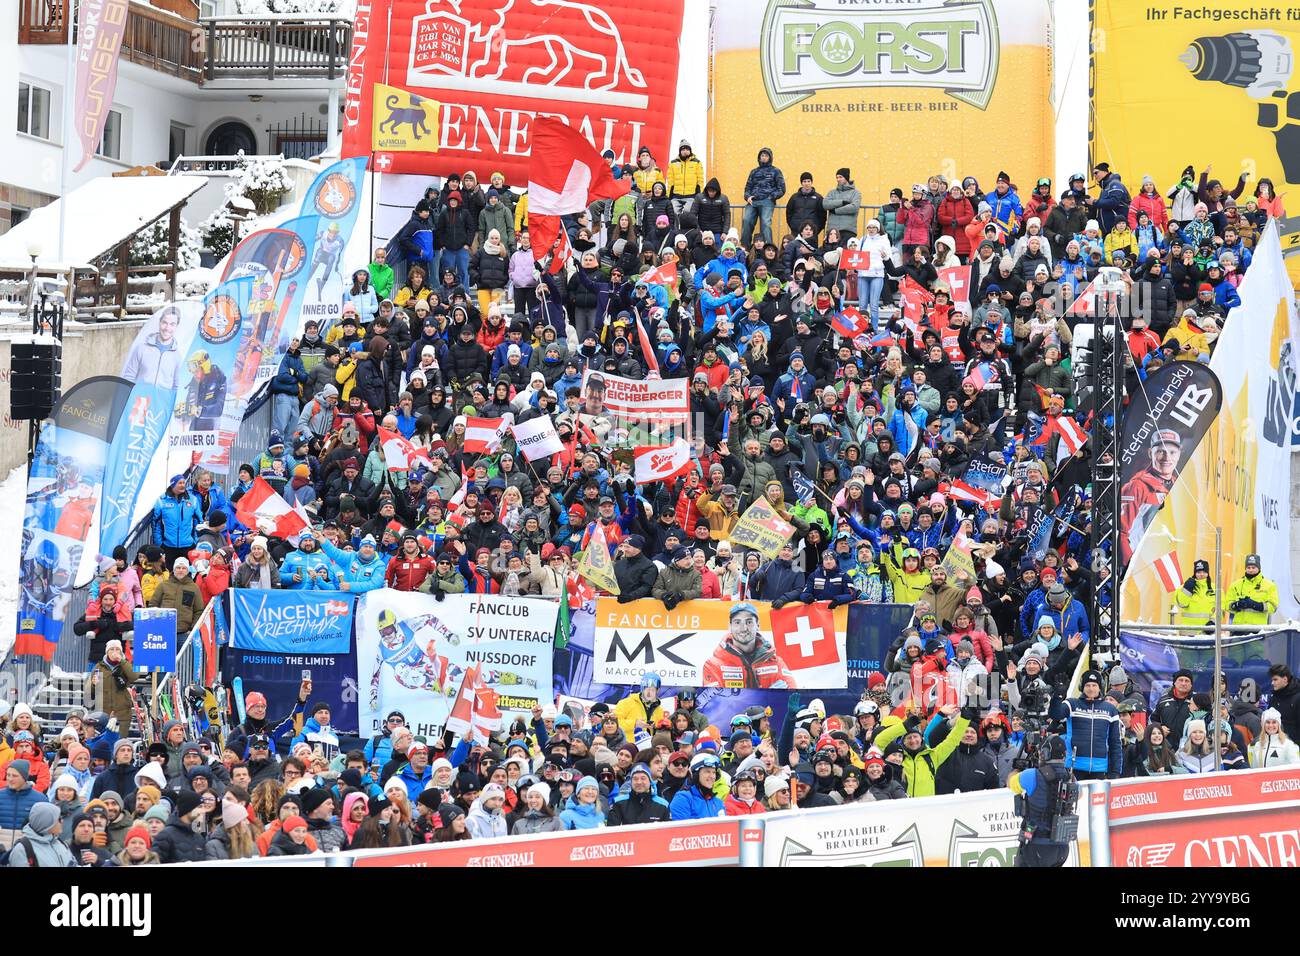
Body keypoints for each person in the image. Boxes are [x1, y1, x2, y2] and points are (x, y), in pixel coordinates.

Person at [1007, 734, 1077, 868]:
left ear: (1044, 754)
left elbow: (1010, 782)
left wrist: (1017, 769)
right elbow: (1079, 794)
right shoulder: (1071, 777)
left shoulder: (1032, 775)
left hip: (1037, 846)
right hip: (1062, 847)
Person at [702, 601, 798, 689]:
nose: (743, 628)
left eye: (749, 622)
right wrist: (769, 697)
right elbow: (714, 704)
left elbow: (793, 695)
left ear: (758, 625)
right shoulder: (713, 665)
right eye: (737, 622)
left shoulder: (776, 662)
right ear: (729, 627)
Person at [1063, 669, 1123, 779]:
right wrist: (1058, 695)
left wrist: (1115, 771)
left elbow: (1115, 743)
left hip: (1099, 769)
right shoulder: (1072, 704)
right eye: (1088, 685)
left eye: (1094, 685)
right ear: (1082, 687)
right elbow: (1056, 714)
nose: (1091, 689)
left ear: (1100, 687)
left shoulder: (1110, 709)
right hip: (1075, 767)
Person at [607, 763, 671, 826]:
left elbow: (668, 831)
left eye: (643, 778)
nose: (639, 782)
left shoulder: (663, 805)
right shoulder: (618, 803)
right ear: (631, 782)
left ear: (650, 781)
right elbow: (612, 830)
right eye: (635, 779)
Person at [1225, 553, 1278, 627]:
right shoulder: (1235, 585)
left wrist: (1256, 605)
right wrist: (1236, 605)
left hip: (1258, 629)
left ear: (1259, 568)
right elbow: (1227, 605)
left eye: (1253, 567)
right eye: (1248, 567)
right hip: (1238, 629)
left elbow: (1273, 607)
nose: (1251, 570)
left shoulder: (1269, 585)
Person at [670, 754, 726, 820]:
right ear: (695, 775)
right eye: (707, 772)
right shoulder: (683, 799)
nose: (712, 776)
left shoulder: (718, 802)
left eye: (714, 772)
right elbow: (679, 828)